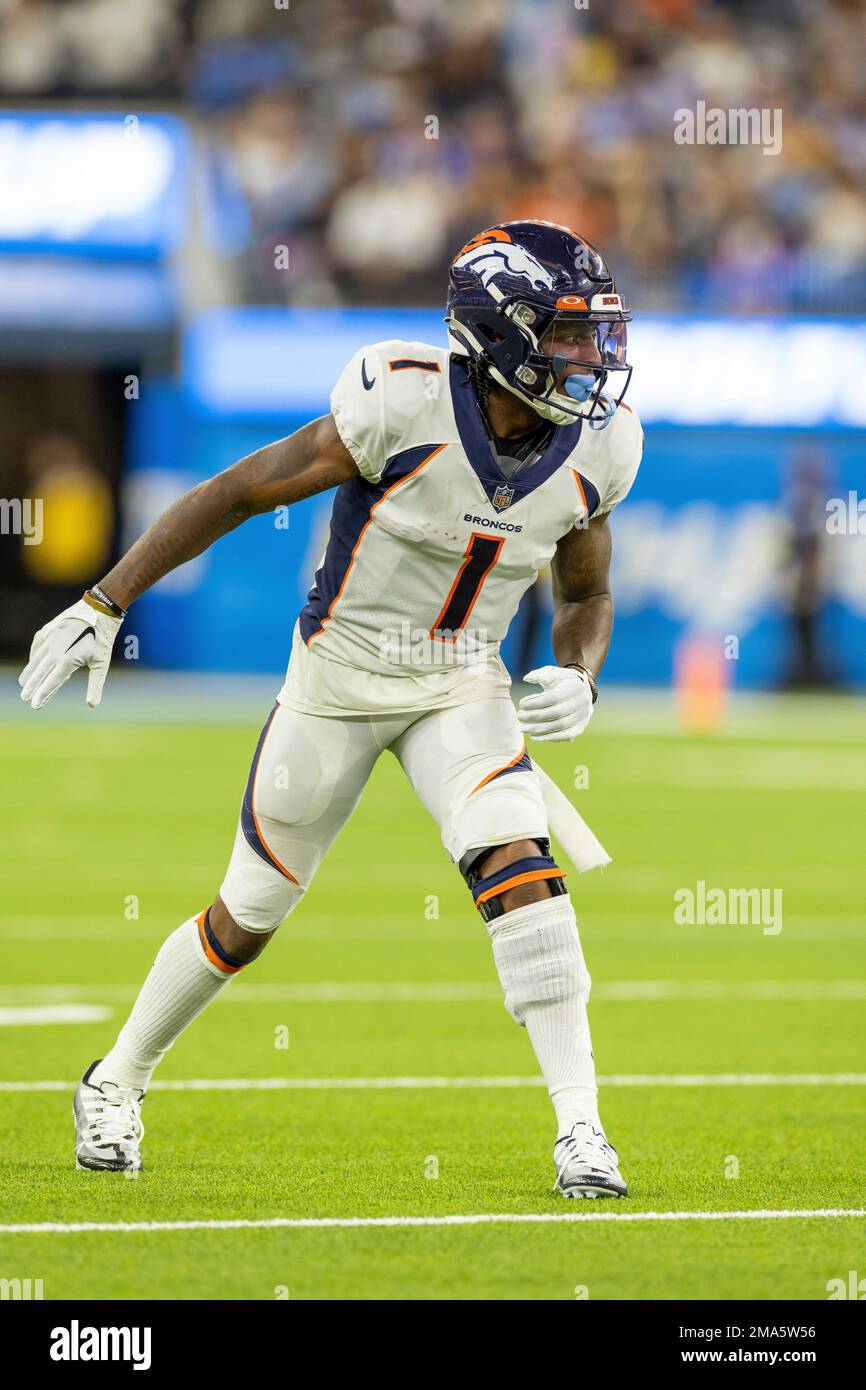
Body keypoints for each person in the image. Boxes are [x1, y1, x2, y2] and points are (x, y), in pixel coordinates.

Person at [19, 220, 643, 1198]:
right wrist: (107, 598)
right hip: (338, 680)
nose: (588, 359)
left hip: (459, 681)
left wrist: (581, 669)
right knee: (248, 913)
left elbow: (584, 593)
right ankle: (116, 1076)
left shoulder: (599, 446)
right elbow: (236, 491)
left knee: (520, 867)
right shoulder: (400, 399)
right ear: (498, 332)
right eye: (564, 336)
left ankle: (582, 1131)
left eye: (592, 335)